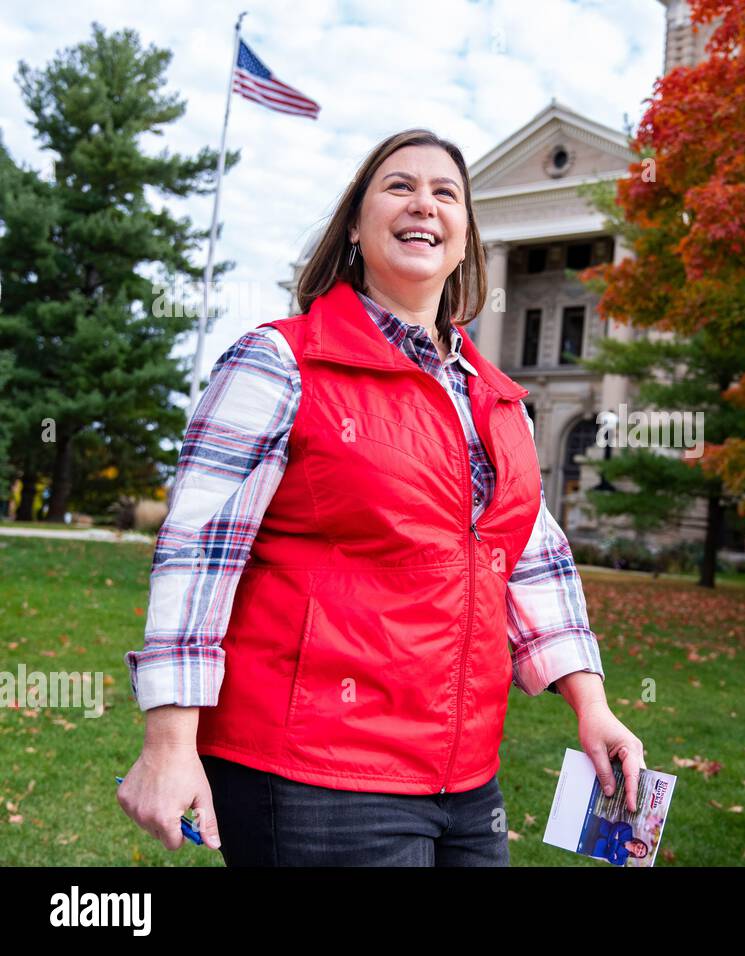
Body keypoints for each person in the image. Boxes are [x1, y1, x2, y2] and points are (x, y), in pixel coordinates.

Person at [117, 128, 646, 866]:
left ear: (465, 241)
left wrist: (593, 705)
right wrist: (169, 742)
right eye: (399, 186)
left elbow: (532, 560)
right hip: (312, 774)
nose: (424, 203)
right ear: (355, 228)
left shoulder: (499, 403)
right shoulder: (280, 361)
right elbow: (197, 555)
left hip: (466, 784)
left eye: (446, 193)